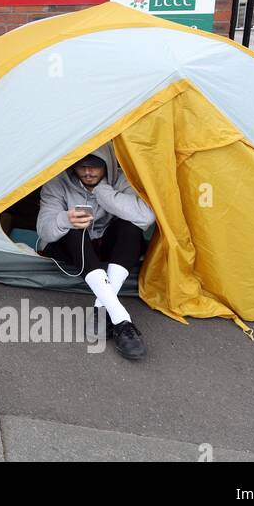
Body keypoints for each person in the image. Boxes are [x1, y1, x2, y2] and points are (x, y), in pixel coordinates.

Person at [36, 145, 155, 360]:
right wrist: (65, 219)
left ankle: (101, 308)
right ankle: (121, 319)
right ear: (74, 165)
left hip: (103, 247)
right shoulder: (57, 182)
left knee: (131, 228)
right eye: (82, 167)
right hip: (70, 248)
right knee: (75, 230)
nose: (88, 173)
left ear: (107, 165)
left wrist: (101, 191)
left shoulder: (120, 179)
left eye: (96, 167)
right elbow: (43, 228)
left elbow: (146, 217)